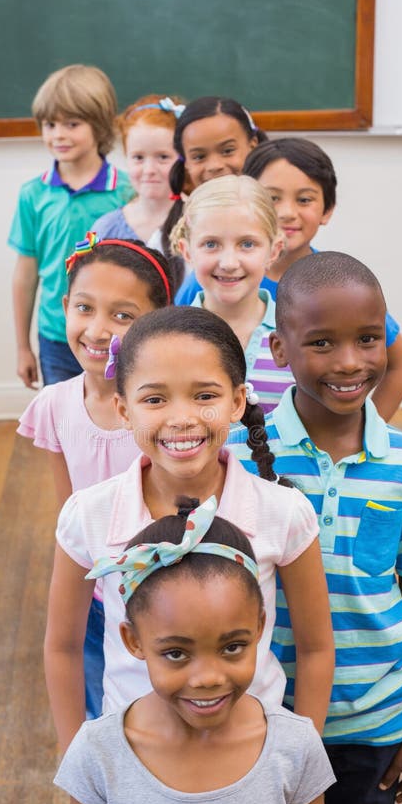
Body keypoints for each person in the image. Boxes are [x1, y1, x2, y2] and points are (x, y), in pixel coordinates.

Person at [227, 251, 402, 804]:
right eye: (323, 342)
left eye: (368, 339)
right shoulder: (237, 460)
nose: (351, 362)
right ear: (279, 349)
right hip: (262, 713)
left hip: (373, 718)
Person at [45, 305, 334, 755]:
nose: (181, 418)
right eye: (155, 399)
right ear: (123, 409)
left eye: (204, 396)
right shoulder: (88, 514)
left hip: (254, 753)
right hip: (133, 756)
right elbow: (63, 647)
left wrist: (303, 755)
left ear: (238, 401)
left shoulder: (283, 511)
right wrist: (75, 755)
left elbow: (316, 647)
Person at [55, 499, 336, 804]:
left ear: (259, 626)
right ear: (133, 641)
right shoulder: (97, 755)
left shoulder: (297, 749)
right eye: (175, 653)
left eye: (232, 647)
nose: (207, 678)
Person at [18, 235, 173, 719]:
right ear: (64, 306)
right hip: (96, 595)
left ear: (157, 321)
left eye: (123, 316)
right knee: (102, 708)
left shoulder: (168, 410)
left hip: (168, 589)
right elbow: (70, 516)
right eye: (84, 308)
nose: (98, 330)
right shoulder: (54, 405)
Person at [177, 138, 402, 419]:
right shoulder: (205, 283)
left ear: (327, 209)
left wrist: (366, 435)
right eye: (272, 198)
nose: (287, 212)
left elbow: (400, 364)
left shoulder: (334, 286)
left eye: (303, 199)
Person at [8, 64, 133, 389]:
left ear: (100, 126)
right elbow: (25, 275)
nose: (58, 135)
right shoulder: (33, 195)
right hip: (56, 336)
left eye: (71, 124)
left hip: (117, 336)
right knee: (64, 430)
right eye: (50, 124)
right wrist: (23, 348)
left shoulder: (127, 192)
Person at [171, 173, 293, 415]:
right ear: (187, 251)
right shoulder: (168, 339)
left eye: (247, 244)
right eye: (211, 244)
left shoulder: (296, 334)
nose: (228, 263)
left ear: (273, 251)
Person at [159, 96, 266, 289]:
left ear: (253, 145)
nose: (215, 166)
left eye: (227, 151)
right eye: (199, 156)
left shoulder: (275, 219)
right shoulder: (167, 237)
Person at [91, 94, 183, 251]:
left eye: (163, 157)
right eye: (138, 157)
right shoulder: (105, 230)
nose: (149, 170)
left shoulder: (197, 222)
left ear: (182, 157)